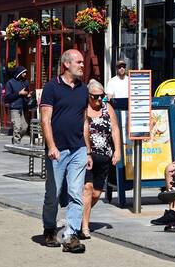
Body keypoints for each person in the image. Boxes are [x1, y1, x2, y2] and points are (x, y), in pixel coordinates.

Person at [40, 48, 89, 253]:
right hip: (58, 150)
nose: (82, 65)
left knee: (76, 193)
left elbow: (85, 120)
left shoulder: (83, 89)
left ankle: (70, 236)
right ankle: (50, 228)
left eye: (83, 62)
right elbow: (45, 119)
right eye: (78, 62)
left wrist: (87, 150)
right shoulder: (52, 88)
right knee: (54, 192)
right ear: (66, 64)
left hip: (78, 149)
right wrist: (51, 146)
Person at [79, 80, 121, 240]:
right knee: (87, 189)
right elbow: (82, 129)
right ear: (88, 95)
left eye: (101, 96)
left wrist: (117, 150)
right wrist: (87, 152)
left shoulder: (107, 108)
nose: (98, 100)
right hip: (86, 156)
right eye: (95, 97)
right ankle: (84, 226)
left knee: (96, 193)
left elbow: (115, 129)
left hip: (104, 156)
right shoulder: (83, 109)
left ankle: (80, 213)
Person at [4, 67, 33, 142]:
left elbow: (26, 94)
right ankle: (16, 143)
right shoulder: (10, 83)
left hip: (24, 107)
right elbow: (7, 97)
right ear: (19, 73)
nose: (25, 74)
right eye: (23, 72)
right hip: (15, 107)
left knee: (25, 127)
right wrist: (19, 93)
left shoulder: (26, 82)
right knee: (17, 127)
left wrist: (28, 95)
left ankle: (15, 139)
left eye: (26, 72)